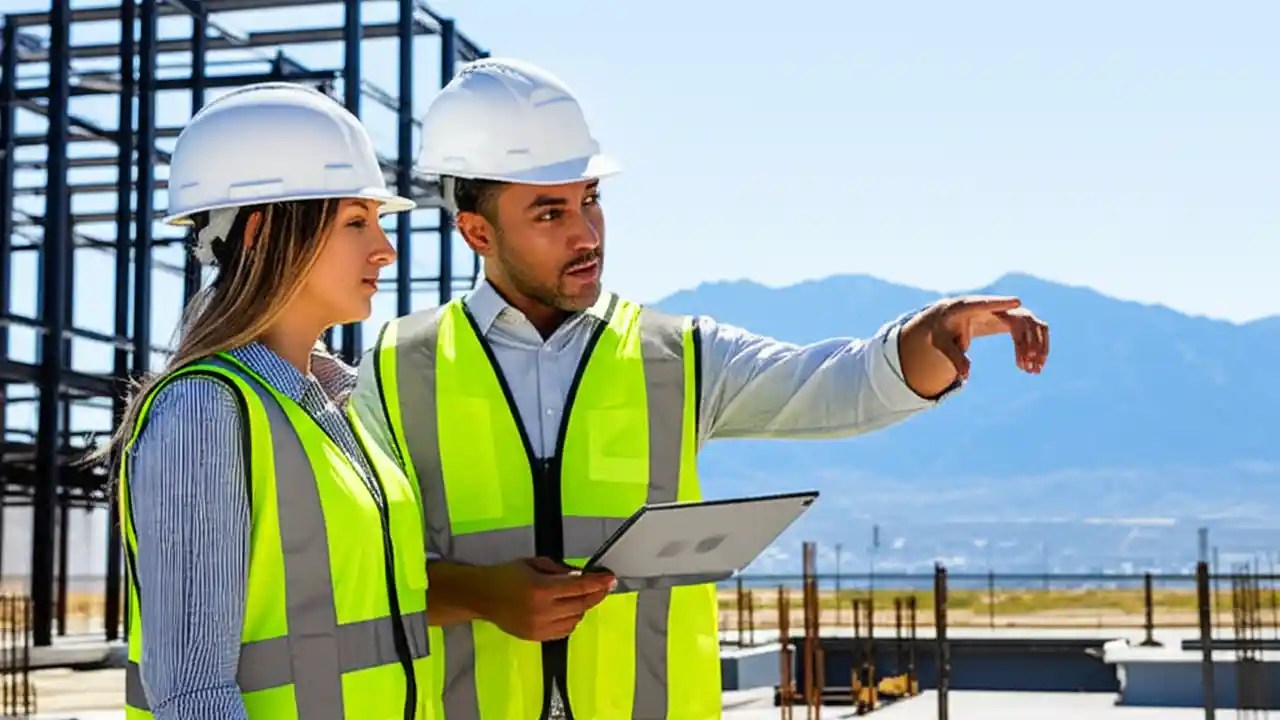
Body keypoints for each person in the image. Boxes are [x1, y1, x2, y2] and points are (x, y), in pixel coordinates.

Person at [350, 58, 1050, 720]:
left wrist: (930, 336)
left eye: (591, 200)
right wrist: (481, 593)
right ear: (477, 231)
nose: (587, 232)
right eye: (549, 213)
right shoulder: (389, 370)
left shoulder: (674, 355)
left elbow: (834, 385)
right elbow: (350, 570)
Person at [97, 83, 432, 720]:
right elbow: (193, 692)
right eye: (356, 222)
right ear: (261, 230)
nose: (385, 249)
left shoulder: (343, 408)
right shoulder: (205, 414)